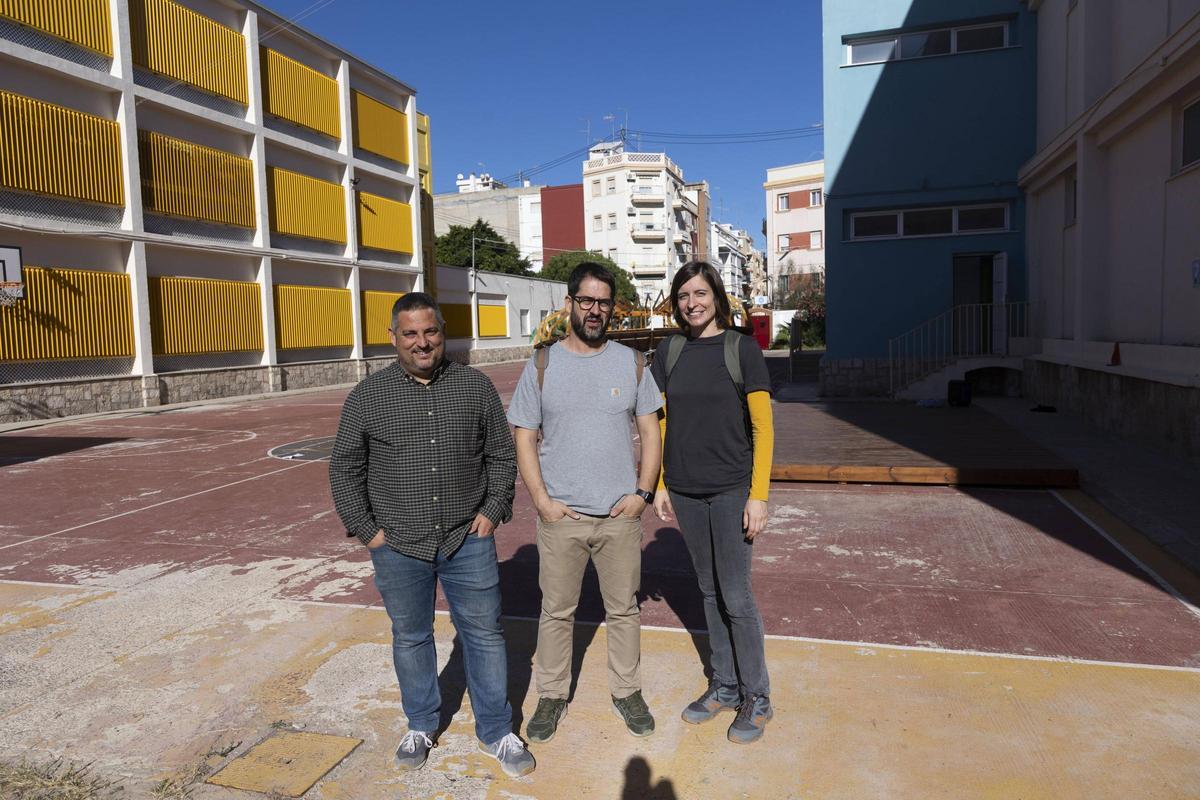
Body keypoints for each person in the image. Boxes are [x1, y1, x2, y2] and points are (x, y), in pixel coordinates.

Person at [328, 292, 534, 777]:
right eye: (411, 334)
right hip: (397, 543)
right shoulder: (368, 397)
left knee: (483, 634)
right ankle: (421, 723)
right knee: (411, 636)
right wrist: (368, 531)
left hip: (469, 537)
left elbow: (502, 456)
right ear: (394, 337)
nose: (422, 342)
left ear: (443, 332)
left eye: (431, 331)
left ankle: (497, 731)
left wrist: (493, 510)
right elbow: (345, 466)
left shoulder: (475, 387)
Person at [507, 262, 663, 743]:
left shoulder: (632, 363)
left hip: (619, 517)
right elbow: (524, 437)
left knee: (624, 610)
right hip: (562, 520)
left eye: (603, 302)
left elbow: (651, 433)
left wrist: (642, 495)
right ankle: (552, 696)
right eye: (587, 301)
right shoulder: (542, 364)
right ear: (569, 303)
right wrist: (543, 502)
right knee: (556, 613)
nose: (595, 311)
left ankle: (627, 691)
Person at [649, 261, 775, 744]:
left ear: (716, 296)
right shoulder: (671, 350)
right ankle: (723, 685)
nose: (691, 303)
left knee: (736, 595)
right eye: (683, 295)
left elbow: (763, 428)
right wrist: (660, 482)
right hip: (684, 487)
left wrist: (758, 495)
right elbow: (659, 421)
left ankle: (756, 696)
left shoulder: (740, 348)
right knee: (708, 589)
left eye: (699, 293)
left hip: (730, 488)